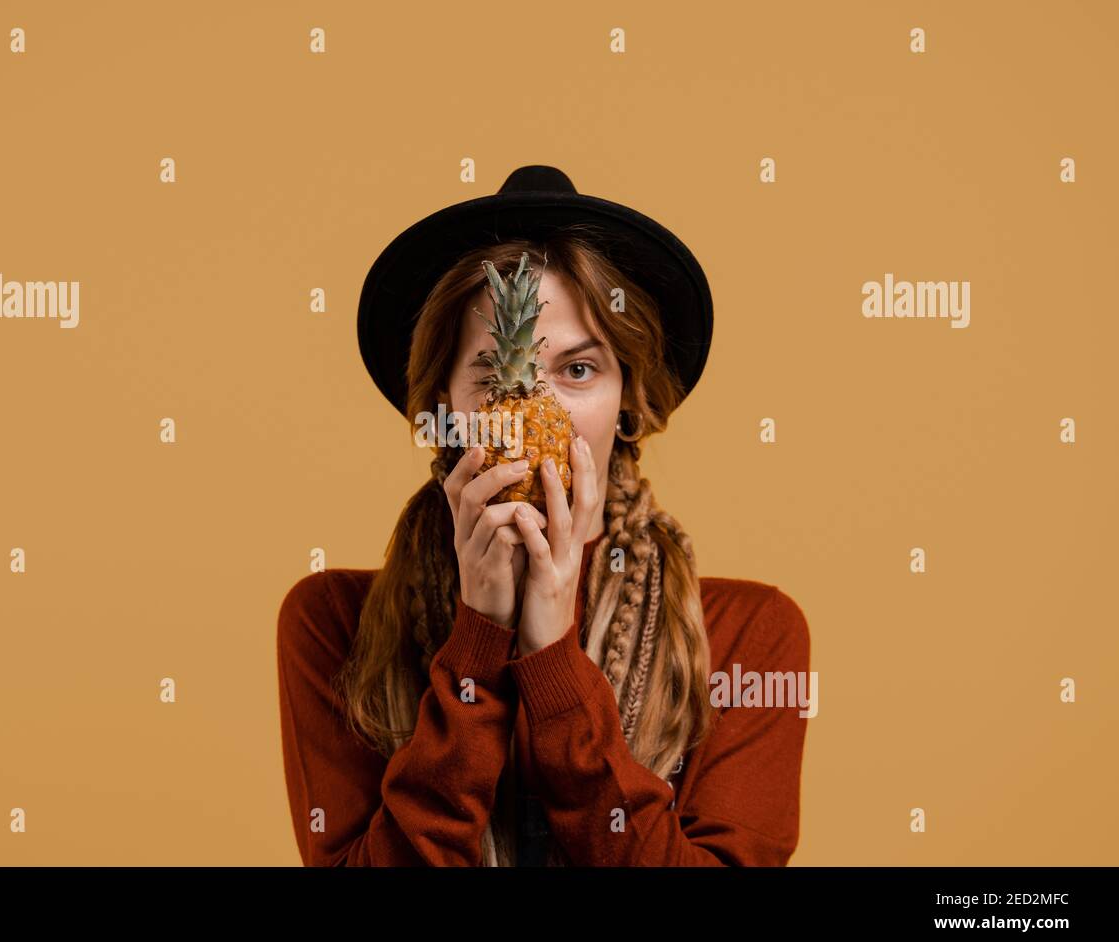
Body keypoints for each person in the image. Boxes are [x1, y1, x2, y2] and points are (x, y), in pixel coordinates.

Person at [277, 165, 811, 866]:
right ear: (443, 406)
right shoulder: (333, 623)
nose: (536, 414)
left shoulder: (748, 637)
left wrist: (552, 657)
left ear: (628, 402)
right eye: (498, 375)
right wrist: (479, 636)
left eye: (580, 370)